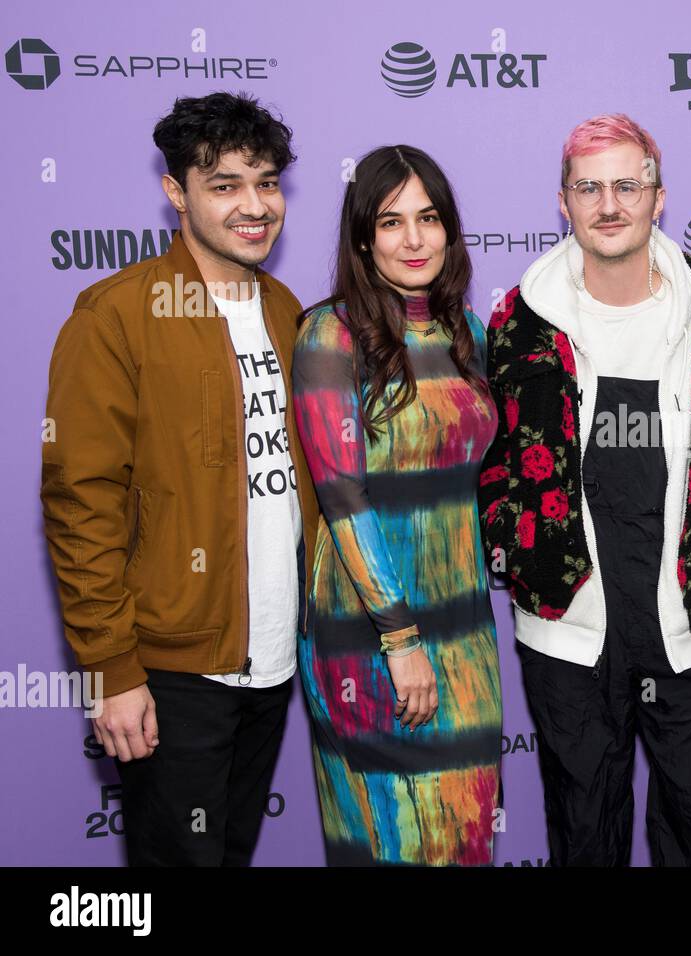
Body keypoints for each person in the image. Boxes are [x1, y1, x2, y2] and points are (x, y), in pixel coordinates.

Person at [477, 114, 691, 866]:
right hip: (570, 632)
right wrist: (517, 550)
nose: (608, 204)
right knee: (585, 840)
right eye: (588, 188)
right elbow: (497, 460)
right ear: (563, 202)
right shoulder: (521, 320)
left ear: (657, 196)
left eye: (625, 185)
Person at [41, 92, 318, 865]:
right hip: (171, 668)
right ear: (177, 193)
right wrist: (111, 671)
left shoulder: (286, 310)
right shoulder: (116, 314)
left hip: (273, 657)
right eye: (225, 185)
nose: (254, 206)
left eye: (266, 183)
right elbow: (80, 503)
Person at [293, 145, 501, 866]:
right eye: (391, 222)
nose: (414, 239)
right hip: (372, 631)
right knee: (396, 844)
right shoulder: (331, 334)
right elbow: (342, 495)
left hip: (466, 623)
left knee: (466, 839)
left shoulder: (470, 337)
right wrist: (401, 637)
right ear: (363, 238)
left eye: (429, 218)